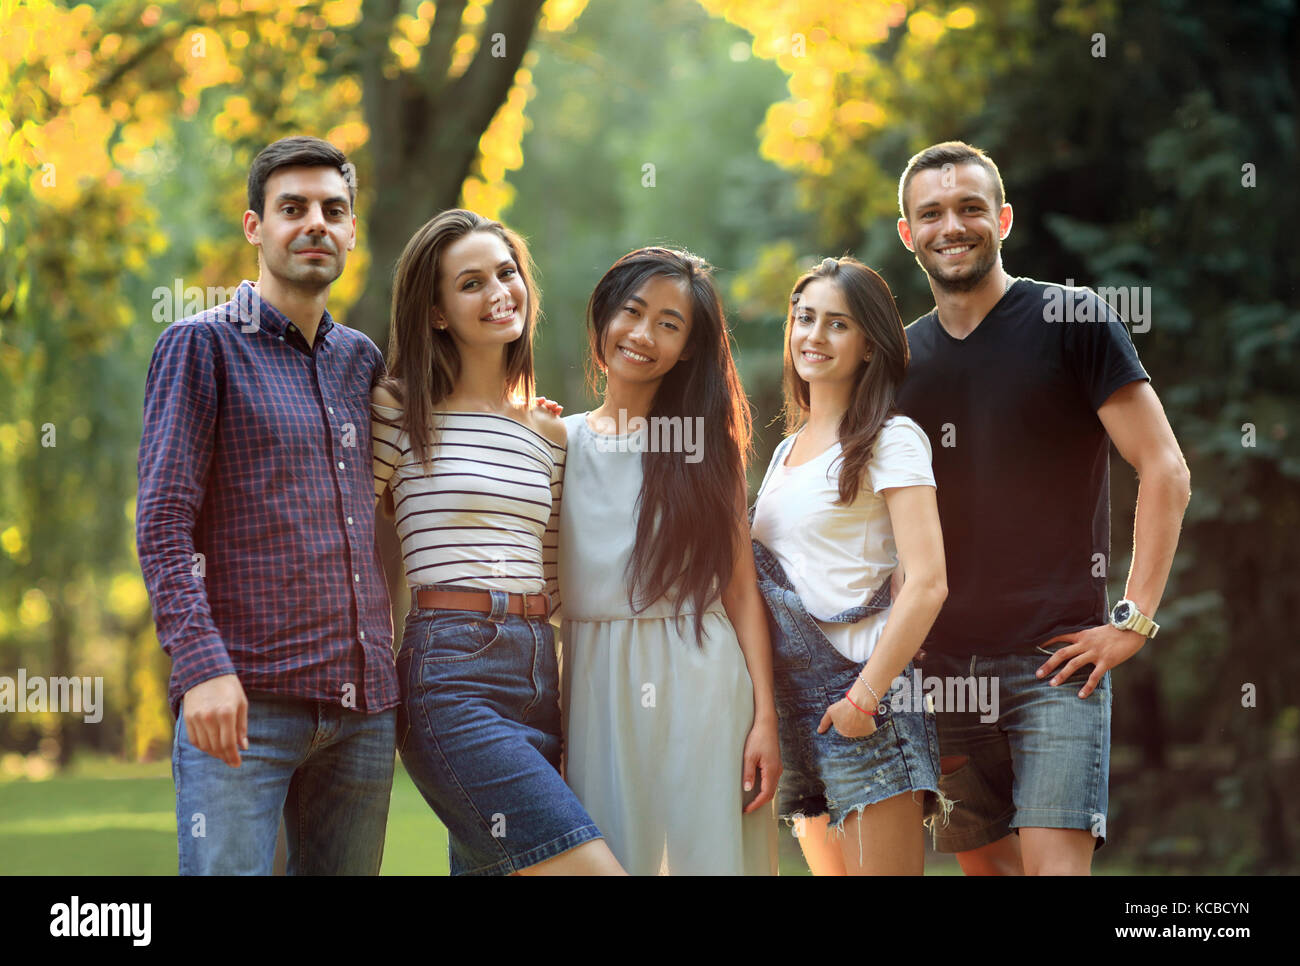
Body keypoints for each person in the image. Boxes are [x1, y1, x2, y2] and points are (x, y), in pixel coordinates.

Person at [894, 140, 1191, 875]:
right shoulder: (896, 361)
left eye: (969, 208)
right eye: (931, 213)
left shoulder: (1072, 319)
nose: (951, 226)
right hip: (940, 672)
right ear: (908, 233)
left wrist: (1134, 620)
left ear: (1003, 217)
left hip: (1056, 666)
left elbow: (1165, 469)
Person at [137, 136, 397, 875]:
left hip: (362, 710)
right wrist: (201, 670)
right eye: (293, 208)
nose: (315, 222)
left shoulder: (361, 361)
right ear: (256, 227)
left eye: (333, 209)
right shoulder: (200, 347)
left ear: (350, 232)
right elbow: (162, 528)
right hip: (243, 699)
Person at [371, 208, 624, 875]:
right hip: (450, 675)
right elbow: (341, 535)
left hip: (540, 671)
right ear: (436, 312)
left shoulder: (548, 434)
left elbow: (554, 579)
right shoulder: (397, 410)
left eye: (506, 273)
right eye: (471, 283)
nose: (499, 293)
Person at [558, 247, 780, 875]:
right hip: (593, 680)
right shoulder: (557, 439)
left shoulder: (707, 451)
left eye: (669, 323)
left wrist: (765, 718)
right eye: (632, 312)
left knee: (704, 860)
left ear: (687, 348)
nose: (643, 334)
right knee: (608, 856)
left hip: (701, 675)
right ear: (603, 318)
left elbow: (740, 593)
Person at [750, 256, 950, 875]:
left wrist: (865, 698)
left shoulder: (892, 439)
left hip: (864, 701)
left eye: (838, 324)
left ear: (869, 345)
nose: (814, 336)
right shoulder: (787, 449)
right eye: (805, 318)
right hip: (798, 708)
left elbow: (928, 583)